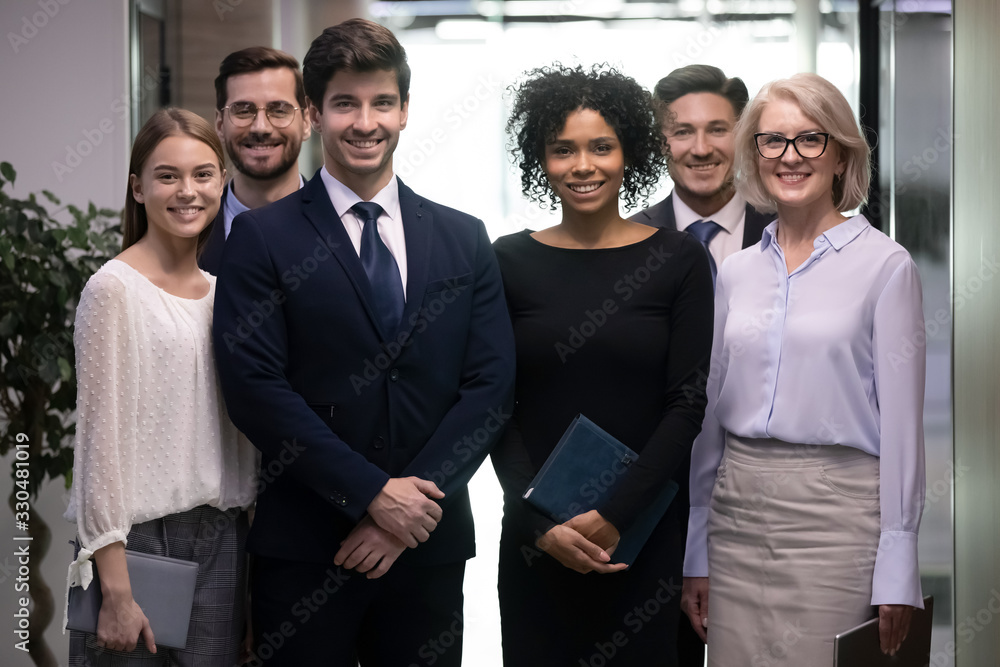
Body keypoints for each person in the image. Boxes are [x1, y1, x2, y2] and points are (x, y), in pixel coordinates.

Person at [212, 18, 515, 667]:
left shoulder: (463, 237)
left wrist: (406, 512)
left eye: (382, 102)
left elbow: (489, 388)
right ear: (314, 114)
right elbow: (255, 389)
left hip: (426, 547)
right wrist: (374, 495)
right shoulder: (263, 238)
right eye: (345, 103)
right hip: (305, 548)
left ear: (405, 110)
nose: (365, 122)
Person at [682, 72, 926, 666]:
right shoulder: (737, 272)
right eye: (772, 140)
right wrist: (696, 549)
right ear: (754, 155)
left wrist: (898, 562)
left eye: (810, 139)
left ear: (841, 154)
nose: (790, 157)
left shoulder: (887, 267)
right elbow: (710, 418)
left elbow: (902, 429)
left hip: (836, 525)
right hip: (735, 517)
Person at [491, 63, 714, 666]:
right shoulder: (507, 261)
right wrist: (541, 525)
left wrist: (615, 516)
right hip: (537, 541)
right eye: (563, 149)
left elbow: (687, 403)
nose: (582, 165)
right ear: (541, 159)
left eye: (601, 147)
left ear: (629, 152)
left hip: (642, 536)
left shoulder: (679, 260)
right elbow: (494, 408)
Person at [66, 107, 258, 666]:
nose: (187, 191)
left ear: (222, 182)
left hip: (223, 538)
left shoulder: (226, 295)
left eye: (203, 174)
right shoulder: (112, 290)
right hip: (134, 543)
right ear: (138, 188)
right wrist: (115, 588)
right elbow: (99, 446)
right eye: (167, 176)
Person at [630, 64, 775, 666]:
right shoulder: (629, 239)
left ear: (742, 135)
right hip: (653, 501)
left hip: (766, 498)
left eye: (718, 129)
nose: (700, 148)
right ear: (660, 141)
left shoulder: (789, 231)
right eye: (681, 131)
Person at [199, 46, 311, 274]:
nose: (261, 127)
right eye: (243, 110)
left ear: (307, 122)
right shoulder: (187, 234)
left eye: (279, 110)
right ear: (220, 124)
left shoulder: (344, 225)